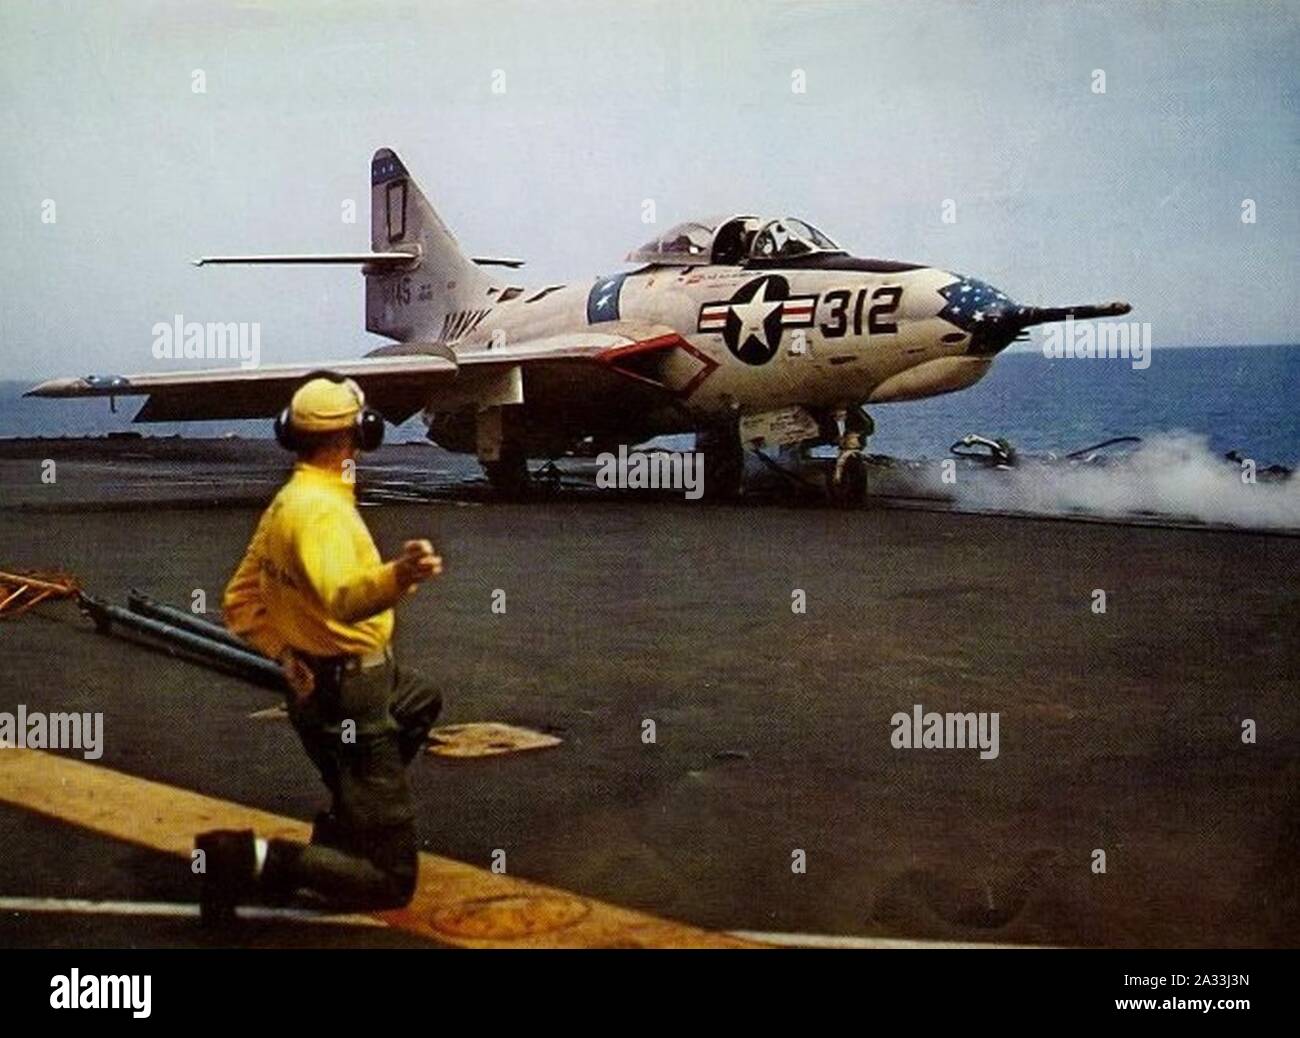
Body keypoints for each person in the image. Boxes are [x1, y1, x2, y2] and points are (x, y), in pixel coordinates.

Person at [196, 374, 443, 925]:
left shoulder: (292, 500)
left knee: (420, 699)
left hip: (334, 682)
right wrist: (400, 575)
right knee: (390, 879)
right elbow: (343, 601)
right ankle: (246, 858)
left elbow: (239, 601)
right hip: (347, 695)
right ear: (357, 435)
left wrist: (285, 655)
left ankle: (349, 816)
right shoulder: (321, 513)